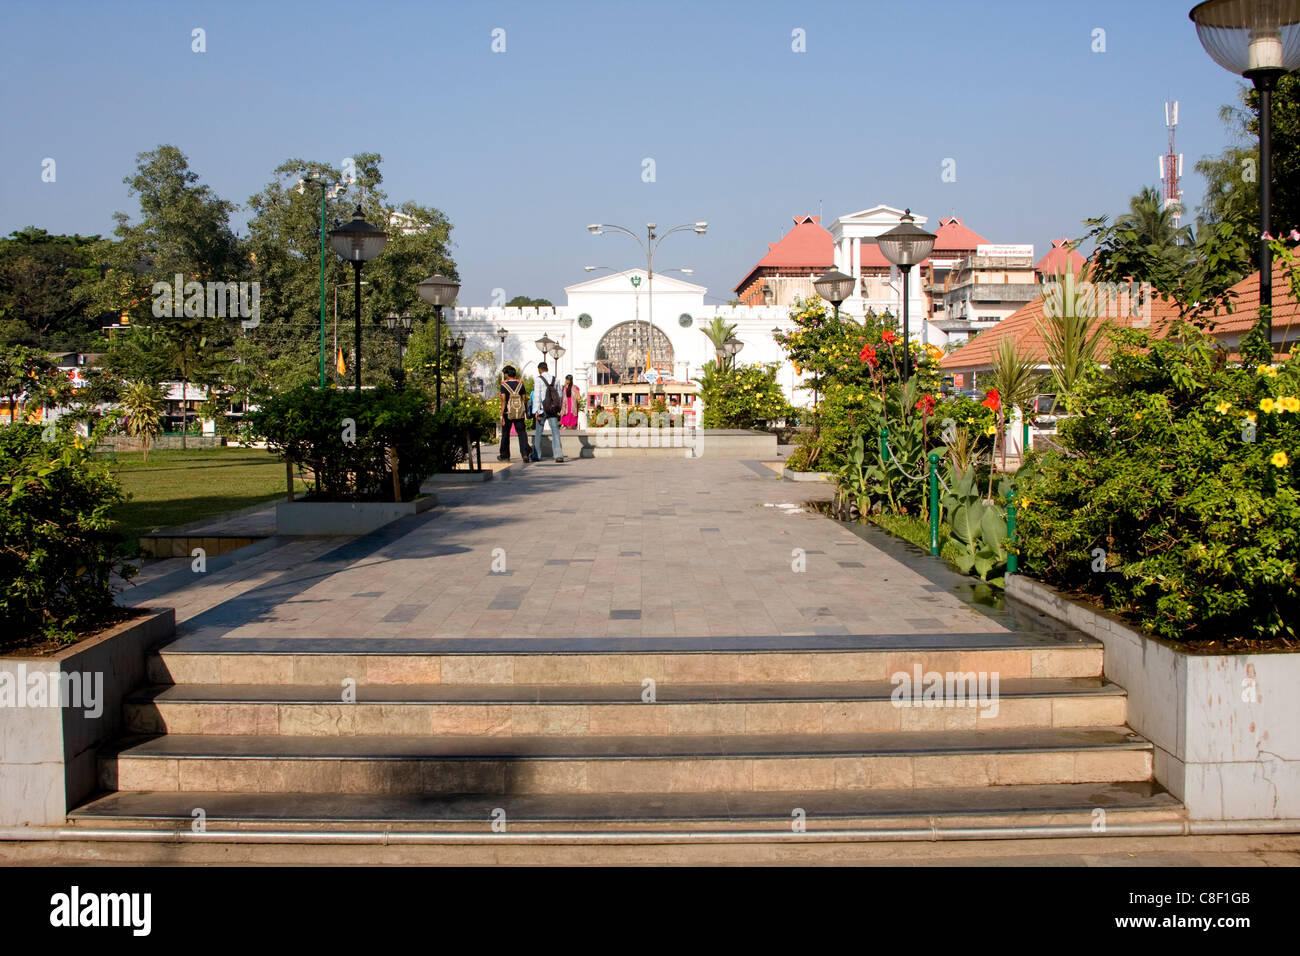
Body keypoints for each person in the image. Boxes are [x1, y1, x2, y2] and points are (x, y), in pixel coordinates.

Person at [532, 362, 565, 462]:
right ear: (547, 368)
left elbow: (537, 395)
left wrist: (536, 410)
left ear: (539, 370)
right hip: (552, 409)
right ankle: (558, 455)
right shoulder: (555, 379)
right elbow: (559, 395)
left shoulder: (538, 379)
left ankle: (537, 455)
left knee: (538, 432)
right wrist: (556, 407)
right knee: (555, 432)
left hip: (542, 409)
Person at [498, 366, 530, 462]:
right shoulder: (520, 385)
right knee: (522, 433)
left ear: (507, 374)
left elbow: (503, 400)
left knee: (505, 433)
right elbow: (524, 399)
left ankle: (505, 455)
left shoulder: (504, 385)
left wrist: (501, 414)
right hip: (519, 412)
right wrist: (524, 410)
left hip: (508, 412)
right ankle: (525, 454)